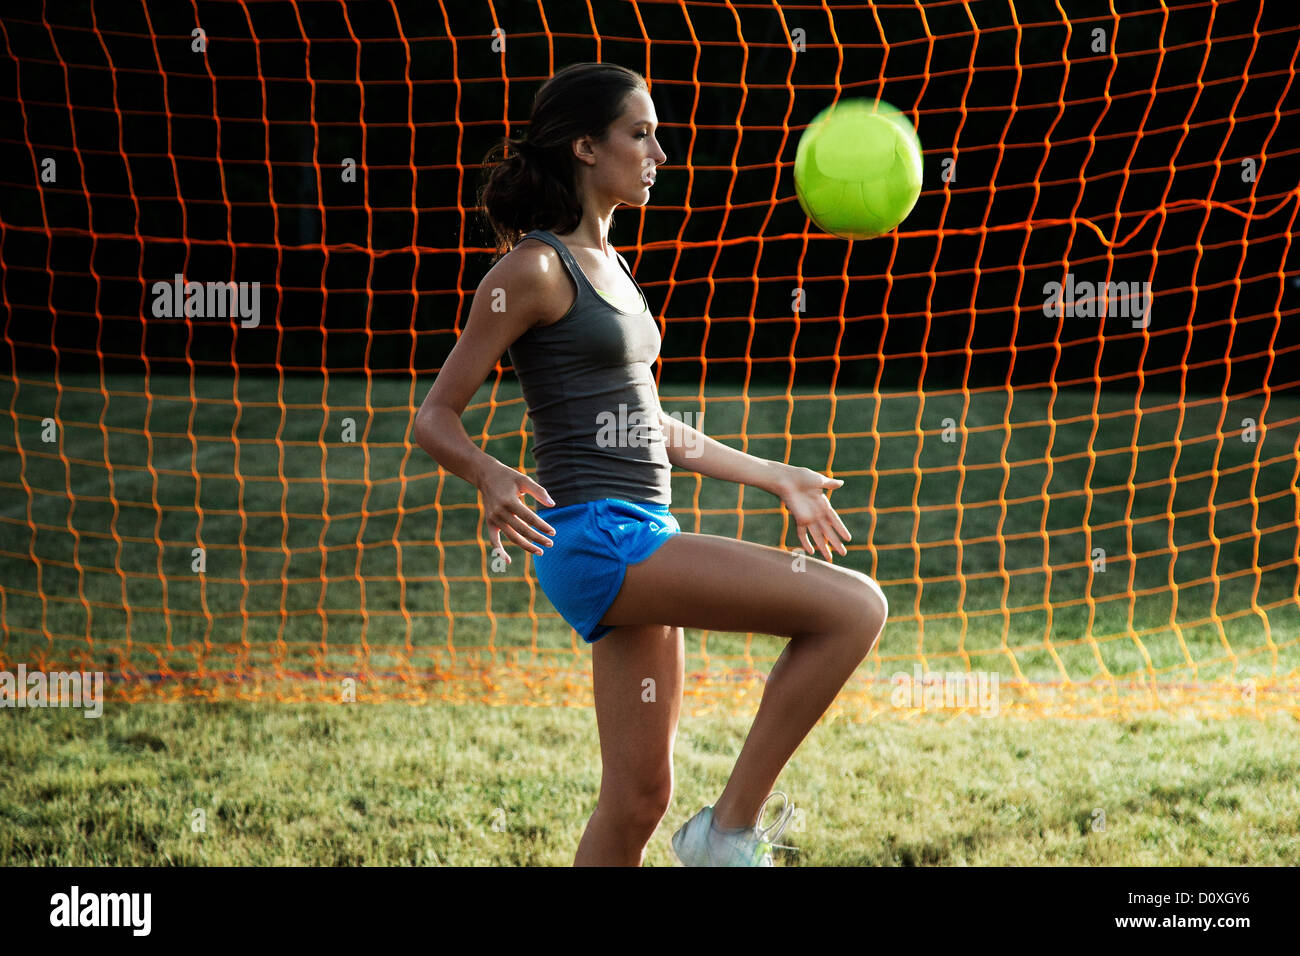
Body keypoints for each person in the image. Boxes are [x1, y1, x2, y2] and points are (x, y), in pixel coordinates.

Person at [413, 62, 887, 867]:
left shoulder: (615, 269)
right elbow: (434, 416)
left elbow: (648, 428)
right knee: (854, 609)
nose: (659, 151)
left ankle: (710, 831)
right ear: (586, 146)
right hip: (600, 539)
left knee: (636, 800)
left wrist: (776, 475)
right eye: (641, 133)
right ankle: (727, 833)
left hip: (639, 530)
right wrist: (489, 474)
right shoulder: (531, 270)